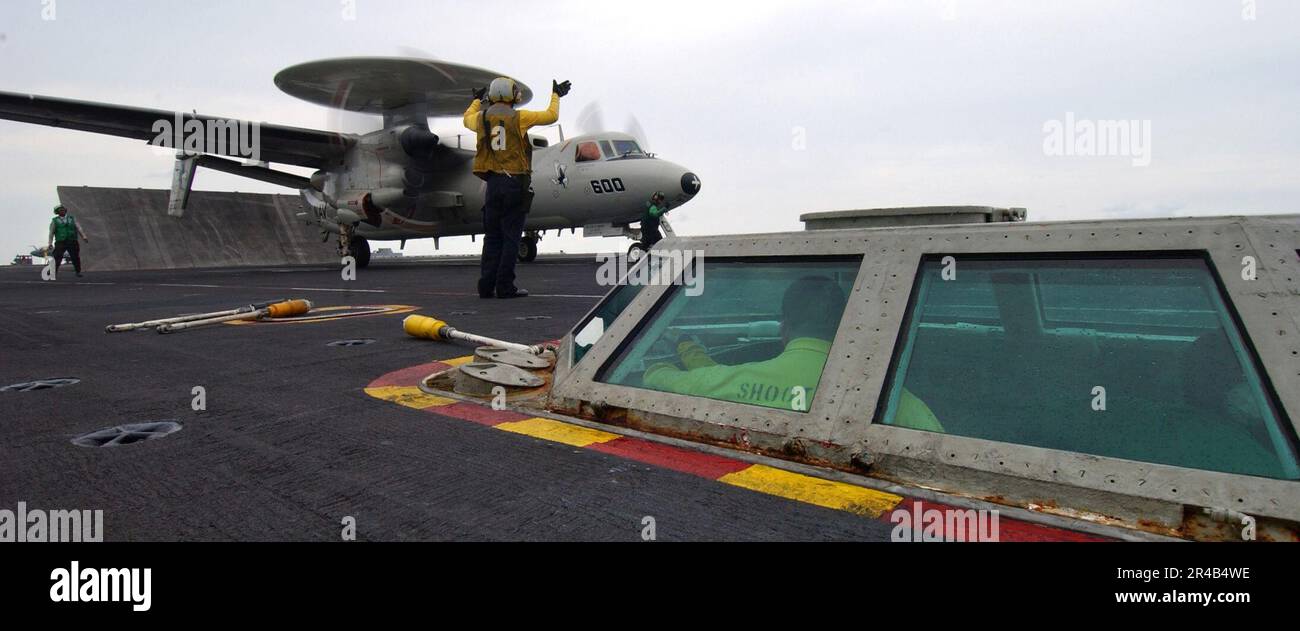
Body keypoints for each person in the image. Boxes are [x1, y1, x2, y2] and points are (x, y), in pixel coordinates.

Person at [642, 276, 944, 431]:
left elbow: (691, 379)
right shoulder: (901, 406)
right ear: (844, 328)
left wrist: (665, 359)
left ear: (785, 327)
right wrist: (689, 347)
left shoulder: (732, 381)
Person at [464, 76, 571, 299]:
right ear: (510, 95)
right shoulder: (519, 117)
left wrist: (476, 100)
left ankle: (485, 286)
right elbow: (552, 115)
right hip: (514, 184)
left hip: (492, 185)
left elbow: (465, 120)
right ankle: (505, 287)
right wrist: (556, 96)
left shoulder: (480, 118)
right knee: (511, 237)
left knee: (492, 237)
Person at [47, 204, 88, 278]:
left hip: (72, 240)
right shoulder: (55, 221)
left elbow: (79, 228)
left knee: (75, 257)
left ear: (65, 210)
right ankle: (52, 272)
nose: (62, 211)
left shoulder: (72, 219)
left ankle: (78, 271)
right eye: (60, 210)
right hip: (60, 241)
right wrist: (50, 243)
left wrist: (84, 236)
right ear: (57, 212)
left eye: (63, 209)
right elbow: (51, 233)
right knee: (57, 256)